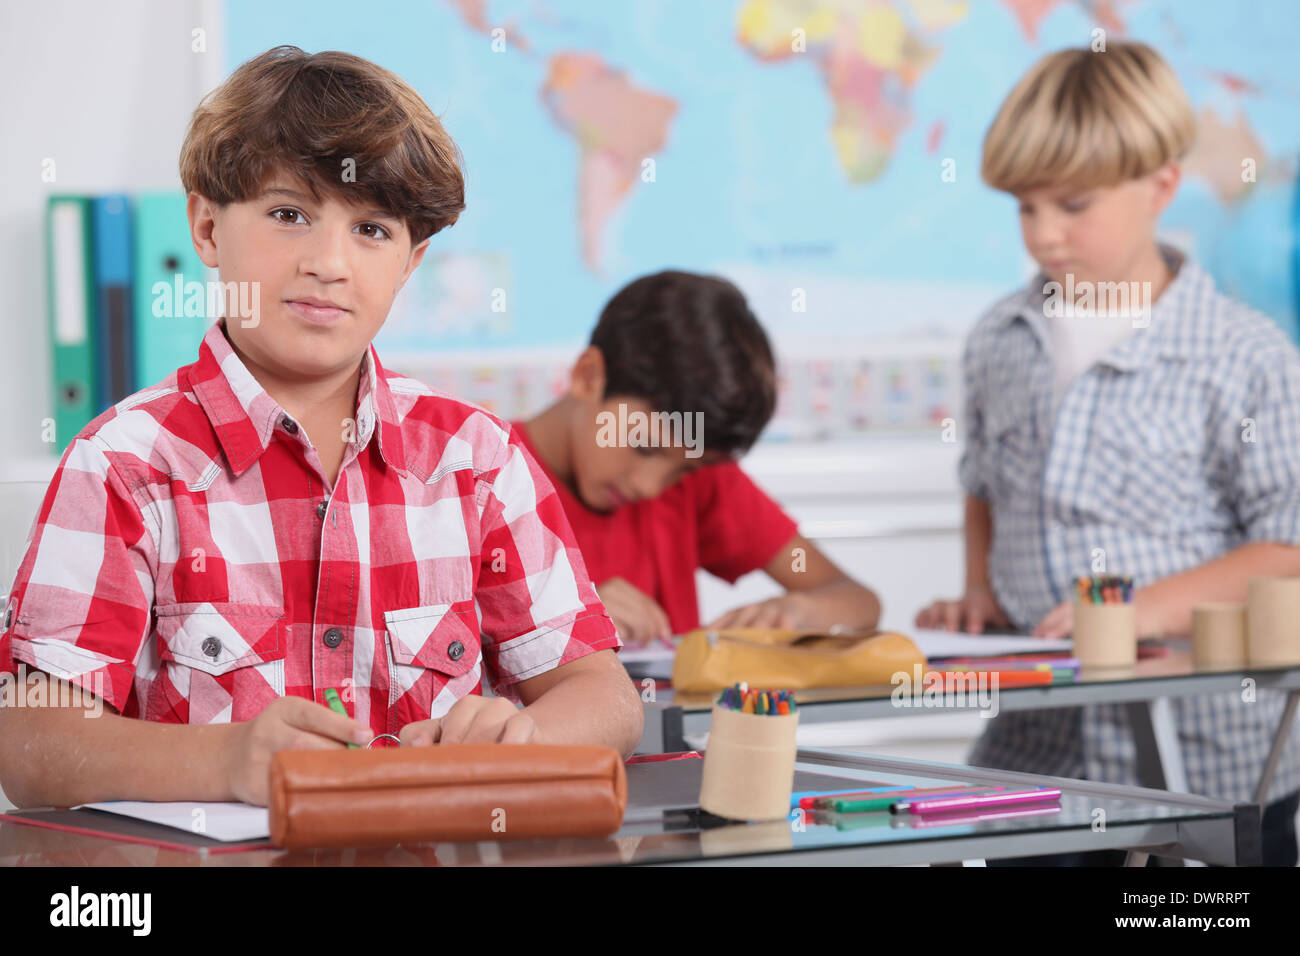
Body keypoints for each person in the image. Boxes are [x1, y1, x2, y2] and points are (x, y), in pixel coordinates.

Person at [0, 46, 641, 810]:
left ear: (412, 262)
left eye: (372, 230)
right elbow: (34, 746)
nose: (329, 263)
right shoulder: (123, 466)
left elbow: (604, 696)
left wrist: (522, 738)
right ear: (206, 228)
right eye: (288, 215)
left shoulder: (478, 460)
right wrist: (230, 760)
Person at [915, 41, 1300, 866]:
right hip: (1042, 760)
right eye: (1025, 208)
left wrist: (1148, 608)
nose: (1044, 235)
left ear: (1161, 184)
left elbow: (1287, 546)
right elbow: (982, 481)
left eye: (1074, 205)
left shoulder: (1246, 355)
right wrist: (977, 589)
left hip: (1213, 756)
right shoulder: (1000, 339)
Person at [517, 270, 881, 644]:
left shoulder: (699, 474)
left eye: (685, 468)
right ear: (589, 376)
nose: (649, 486)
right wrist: (560, 617)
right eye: (643, 445)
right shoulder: (480, 475)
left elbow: (856, 600)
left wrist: (802, 611)